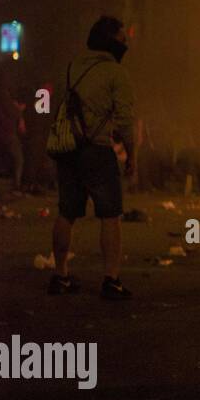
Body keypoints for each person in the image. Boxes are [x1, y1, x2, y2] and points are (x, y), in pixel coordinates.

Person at [47, 16, 137, 300]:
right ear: (111, 41)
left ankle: (60, 275)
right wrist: (131, 155)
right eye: (123, 40)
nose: (126, 45)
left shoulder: (74, 66)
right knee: (110, 215)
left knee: (66, 213)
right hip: (97, 150)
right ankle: (111, 280)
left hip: (69, 150)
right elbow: (125, 121)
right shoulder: (115, 73)